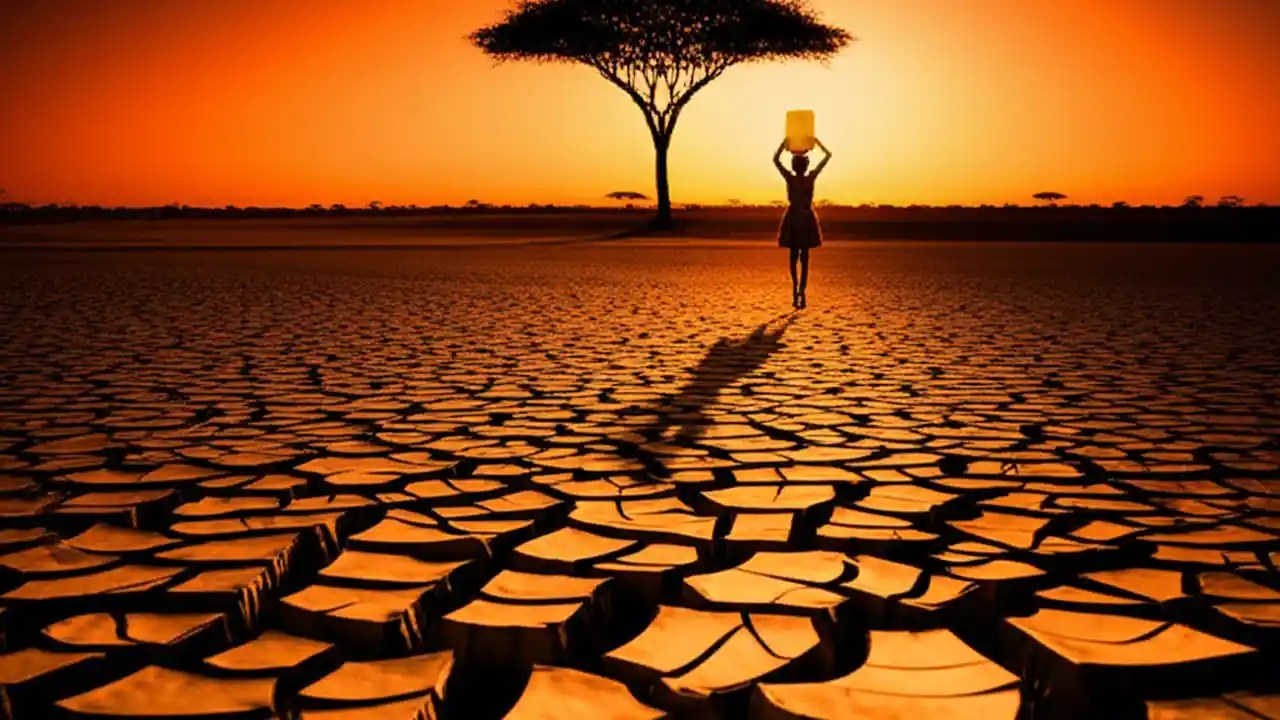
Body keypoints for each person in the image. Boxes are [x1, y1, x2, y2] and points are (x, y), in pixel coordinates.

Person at [773, 137, 832, 309]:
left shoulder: (791, 178)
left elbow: (775, 160)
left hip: (796, 218)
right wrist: (818, 143)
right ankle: (800, 290)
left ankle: (796, 290)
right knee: (804, 259)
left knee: (794, 258)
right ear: (805, 166)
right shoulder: (809, 177)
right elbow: (828, 156)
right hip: (804, 218)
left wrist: (783, 144)